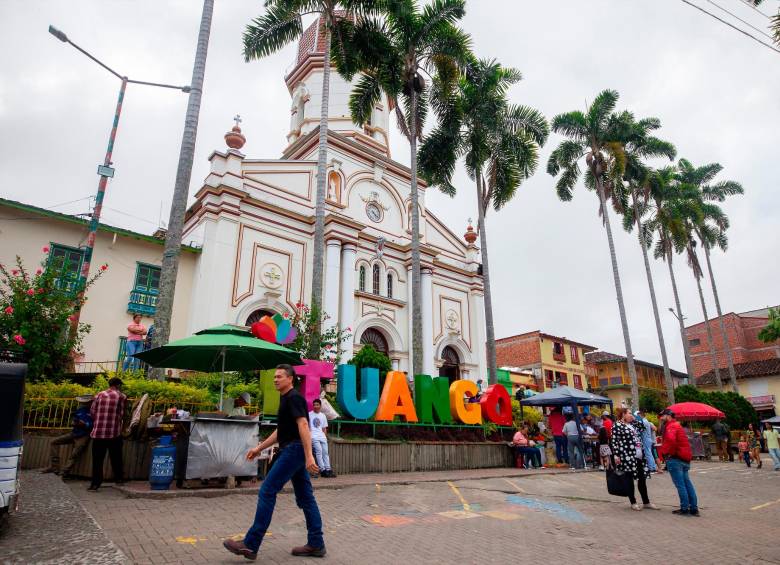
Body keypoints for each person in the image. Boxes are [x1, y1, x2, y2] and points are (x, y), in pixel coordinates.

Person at [224, 364, 324, 560]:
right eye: (275, 377)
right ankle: (316, 544)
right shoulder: (285, 399)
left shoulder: (294, 398)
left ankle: (251, 544)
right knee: (306, 498)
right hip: (294, 449)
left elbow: (304, 424)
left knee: (267, 490)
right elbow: (281, 432)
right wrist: (258, 448)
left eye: (280, 376)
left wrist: (309, 456)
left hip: (294, 450)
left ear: (290, 379)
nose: (275, 379)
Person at [611, 408, 656, 511]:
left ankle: (646, 502)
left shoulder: (633, 424)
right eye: (629, 413)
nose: (631, 415)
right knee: (629, 479)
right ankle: (633, 502)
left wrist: (634, 420)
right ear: (623, 414)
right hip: (627, 456)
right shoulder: (617, 425)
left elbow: (643, 428)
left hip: (639, 455)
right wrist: (616, 455)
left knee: (642, 479)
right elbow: (614, 441)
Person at [658, 408, 698, 516]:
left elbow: (671, 440)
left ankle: (684, 508)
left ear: (668, 416)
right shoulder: (677, 425)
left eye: (662, 416)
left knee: (680, 485)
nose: (661, 418)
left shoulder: (671, 426)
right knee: (687, 483)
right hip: (684, 458)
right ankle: (693, 508)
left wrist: (664, 453)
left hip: (675, 458)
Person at [89, 377, 126, 491]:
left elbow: (92, 411)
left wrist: (99, 421)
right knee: (116, 458)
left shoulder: (99, 395)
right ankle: (119, 479)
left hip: (98, 433)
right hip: (114, 433)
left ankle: (95, 484)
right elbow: (122, 413)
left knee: (97, 460)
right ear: (118, 385)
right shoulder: (121, 396)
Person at [41, 395, 93, 478]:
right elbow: (73, 422)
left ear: (90, 402)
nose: (82, 403)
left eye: (85, 402)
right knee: (54, 442)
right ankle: (54, 467)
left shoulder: (95, 411)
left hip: (83, 436)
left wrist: (85, 424)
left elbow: (94, 425)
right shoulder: (79, 410)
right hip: (74, 433)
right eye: (82, 402)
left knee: (74, 455)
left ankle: (64, 472)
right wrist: (74, 423)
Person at [309, 399, 335, 478]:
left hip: (322, 436)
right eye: (314, 405)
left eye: (317, 405)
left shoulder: (323, 415)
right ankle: (323, 470)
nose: (315, 406)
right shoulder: (309, 414)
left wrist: (325, 437)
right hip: (313, 436)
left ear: (320, 406)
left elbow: (324, 428)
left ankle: (328, 469)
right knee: (319, 452)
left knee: (325, 453)